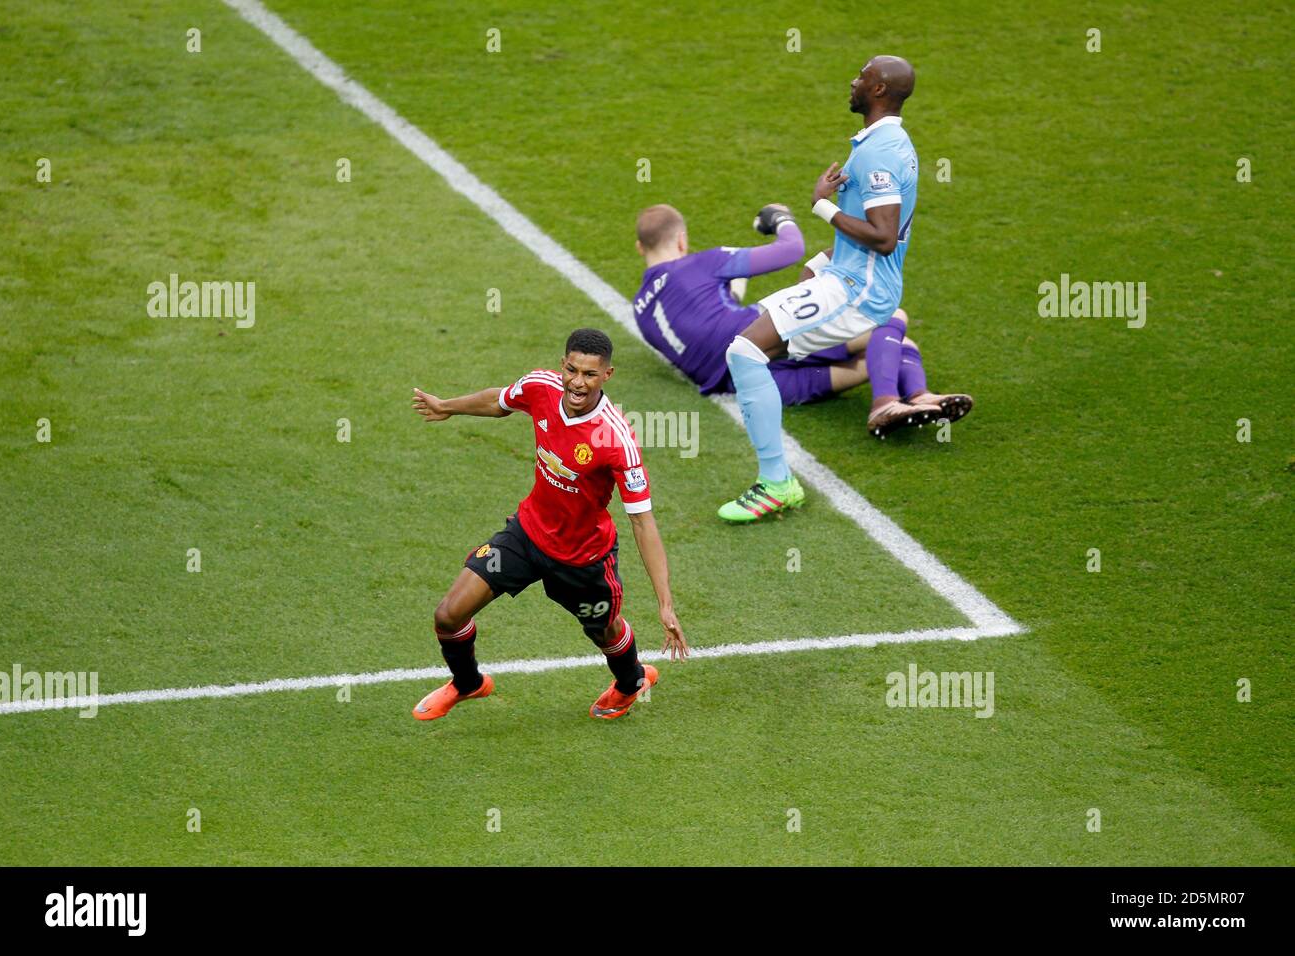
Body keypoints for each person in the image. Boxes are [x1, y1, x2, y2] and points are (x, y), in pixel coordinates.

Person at [718, 55, 971, 524]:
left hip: (857, 289)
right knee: (752, 352)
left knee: (746, 353)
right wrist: (823, 260)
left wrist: (819, 206)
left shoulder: (880, 152)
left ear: (878, 91)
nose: (853, 81)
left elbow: (883, 234)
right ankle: (783, 471)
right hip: (847, 277)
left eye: (862, 76)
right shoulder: (884, 142)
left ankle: (777, 483)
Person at [410, 328, 689, 721]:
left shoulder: (616, 439)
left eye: (590, 374)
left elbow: (642, 522)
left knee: (604, 632)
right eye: (572, 370)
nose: (578, 382)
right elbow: (500, 400)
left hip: (583, 560)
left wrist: (665, 605)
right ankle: (468, 683)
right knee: (448, 614)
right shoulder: (540, 386)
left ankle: (631, 683)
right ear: (563, 365)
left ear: (607, 375)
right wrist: (448, 406)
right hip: (526, 536)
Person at [632, 202, 869, 406]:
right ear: (682, 241)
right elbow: (792, 249)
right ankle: (891, 394)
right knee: (884, 328)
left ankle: (888, 392)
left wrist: (732, 295)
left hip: (732, 380)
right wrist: (780, 218)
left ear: (640, 247)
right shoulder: (700, 263)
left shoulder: (639, 311)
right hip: (756, 338)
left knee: (859, 365)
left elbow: (699, 328)